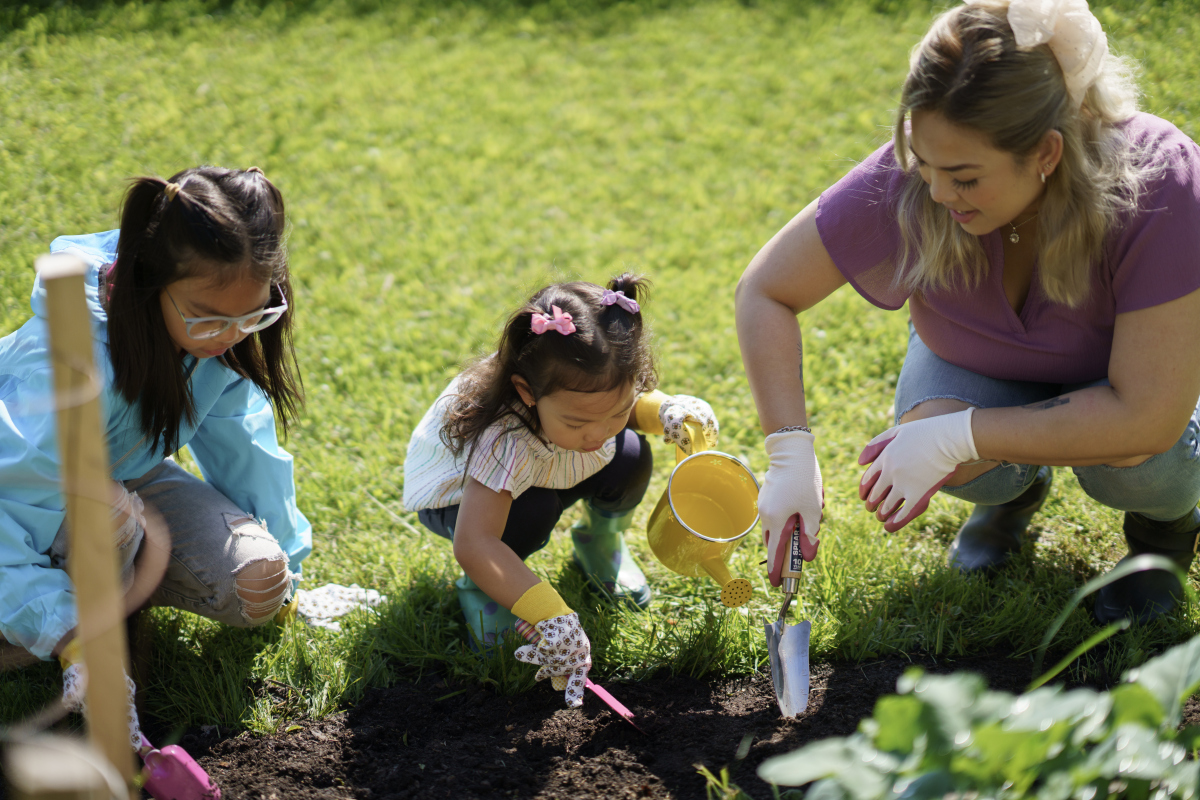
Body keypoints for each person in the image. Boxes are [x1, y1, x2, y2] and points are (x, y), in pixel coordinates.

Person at [737, 0, 1200, 625]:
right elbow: (766, 290)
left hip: (1119, 384)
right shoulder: (927, 170)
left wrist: (959, 435)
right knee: (943, 448)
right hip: (977, 362)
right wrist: (789, 453)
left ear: (1046, 153)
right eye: (922, 162)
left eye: (963, 177)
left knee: (1143, 468)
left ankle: (1162, 533)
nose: (934, 192)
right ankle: (1011, 496)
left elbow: (1146, 418)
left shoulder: (1157, 177)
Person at [0, 166, 310, 745]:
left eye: (254, 315)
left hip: (116, 481)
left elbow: (244, 448)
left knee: (260, 583)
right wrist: (68, 632)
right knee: (109, 516)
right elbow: (5, 520)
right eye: (209, 316)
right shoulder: (71, 366)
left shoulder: (216, 337)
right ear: (149, 281)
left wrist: (291, 561)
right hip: (18, 511)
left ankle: (105, 593)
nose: (232, 335)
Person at [403, 274, 719, 706]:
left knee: (629, 455)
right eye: (578, 422)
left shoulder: (589, 396)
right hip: (462, 505)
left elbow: (612, 410)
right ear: (527, 392)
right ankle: (484, 589)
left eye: (616, 412)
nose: (598, 434)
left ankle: (599, 542)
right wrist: (549, 614)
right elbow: (475, 542)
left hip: (550, 464)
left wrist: (665, 410)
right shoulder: (505, 437)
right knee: (531, 510)